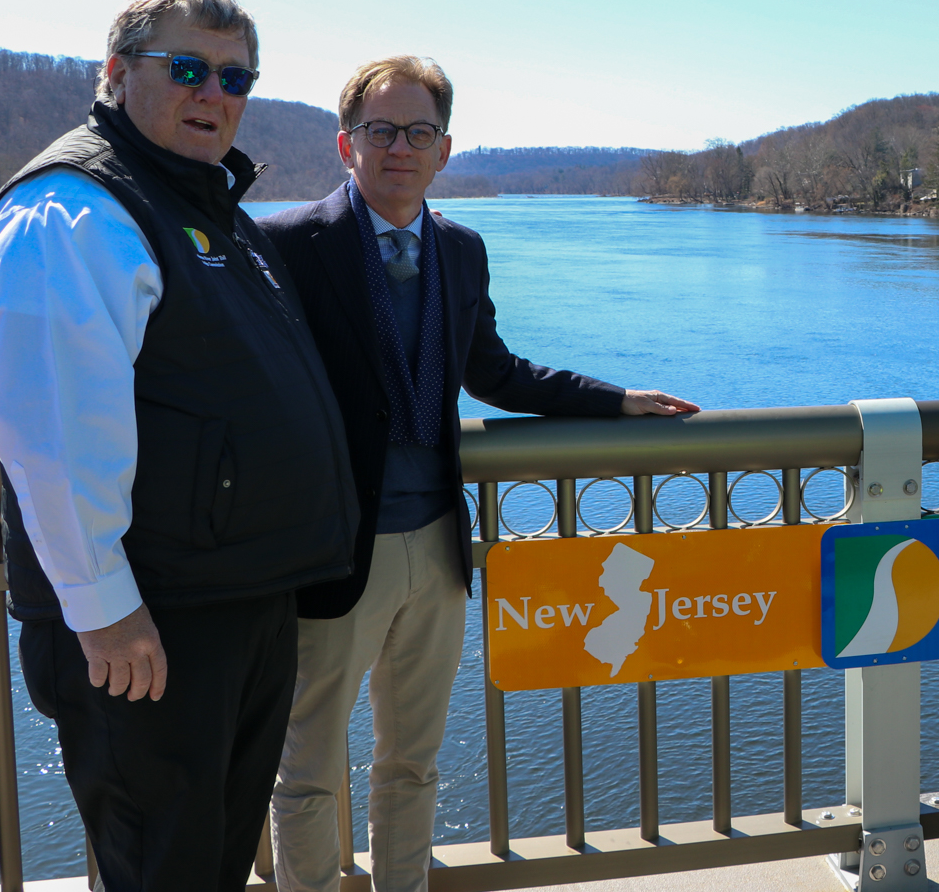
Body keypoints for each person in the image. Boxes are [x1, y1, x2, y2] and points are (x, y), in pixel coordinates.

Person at [260, 56, 699, 892]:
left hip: (437, 549)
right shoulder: (289, 243)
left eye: (418, 132)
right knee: (309, 770)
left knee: (413, 761)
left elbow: (495, 371)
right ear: (345, 143)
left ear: (446, 149)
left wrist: (615, 401)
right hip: (330, 551)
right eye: (381, 131)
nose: (400, 148)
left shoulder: (460, 249)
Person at [0, 0, 360, 890]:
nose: (213, 92)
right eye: (185, 68)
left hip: (235, 602)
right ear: (115, 73)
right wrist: (102, 605)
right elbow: (47, 427)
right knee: (162, 867)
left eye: (234, 76)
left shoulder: (204, 202)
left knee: (210, 863)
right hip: (148, 625)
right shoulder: (74, 210)